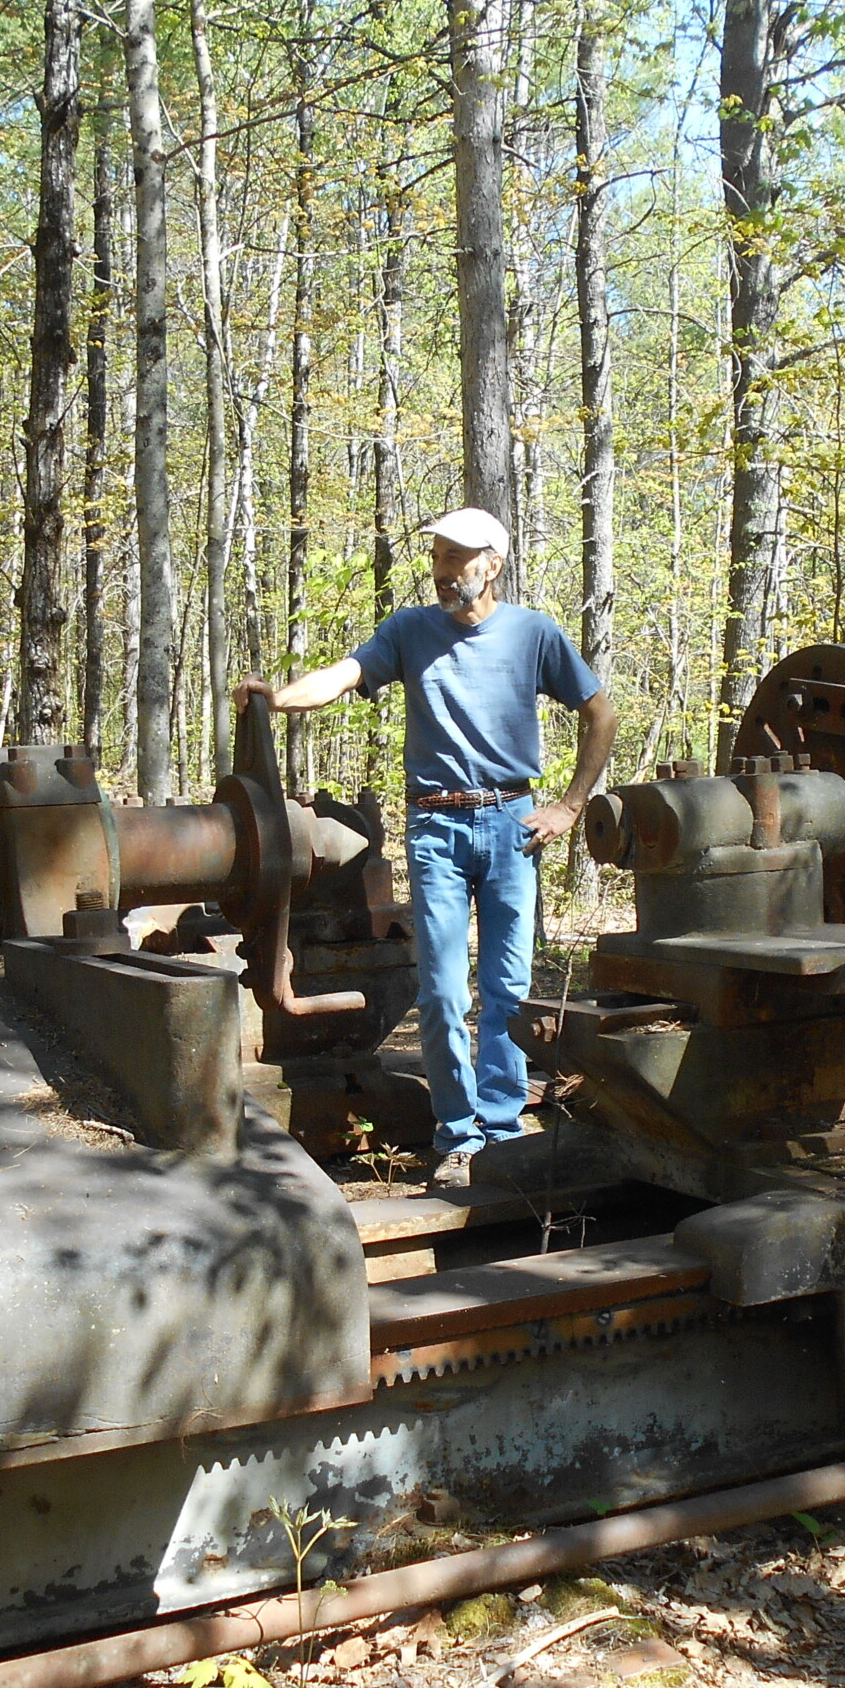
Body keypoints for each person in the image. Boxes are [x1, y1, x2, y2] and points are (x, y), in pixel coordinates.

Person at [242, 506, 616, 1189]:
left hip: (512, 825)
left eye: (458, 559)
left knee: (507, 989)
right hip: (437, 828)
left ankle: (502, 1132)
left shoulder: (533, 634)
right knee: (442, 992)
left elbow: (601, 712)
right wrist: (278, 700)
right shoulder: (411, 631)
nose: (445, 572)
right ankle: (458, 1138)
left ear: (492, 565)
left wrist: (569, 806)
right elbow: (344, 675)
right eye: (439, 558)